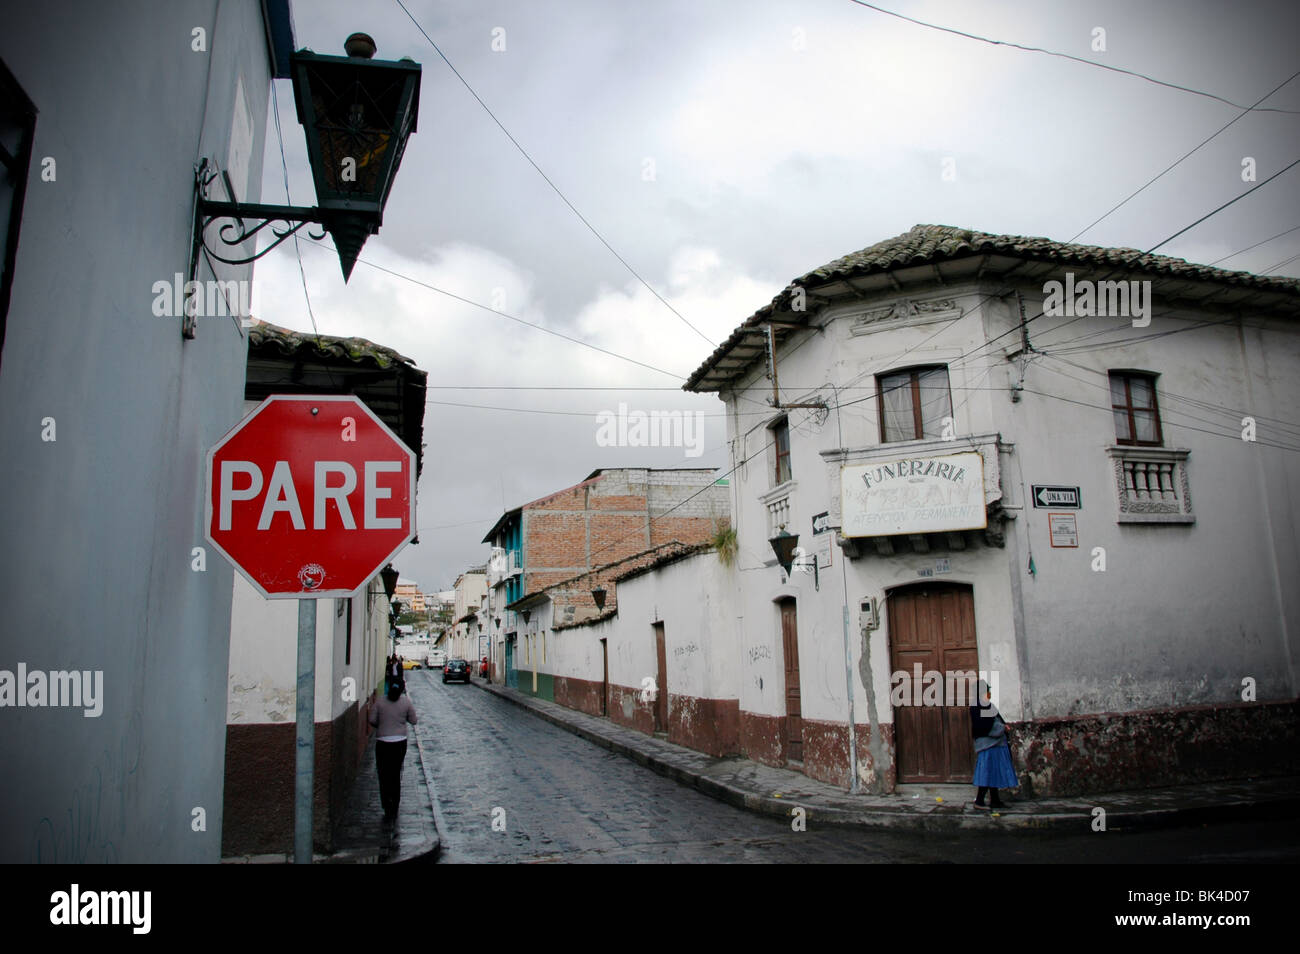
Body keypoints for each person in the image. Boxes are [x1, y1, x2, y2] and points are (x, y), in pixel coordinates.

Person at [368, 678, 418, 822]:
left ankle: (386, 805)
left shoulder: (380, 702)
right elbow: (414, 720)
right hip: (399, 743)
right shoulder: (406, 702)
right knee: (395, 774)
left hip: (383, 742)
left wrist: (383, 725)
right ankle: (394, 806)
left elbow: (372, 720)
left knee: (383, 775)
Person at [970, 680, 1018, 810]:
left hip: (995, 743)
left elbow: (994, 719)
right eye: (987, 691)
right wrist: (1002, 728)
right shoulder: (978, 706)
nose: (989, 693)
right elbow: (985, 724)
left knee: (994, 771)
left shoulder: (985, 705)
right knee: (988, 771)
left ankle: (995, 800)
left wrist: (1002, 726)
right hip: (988, 744)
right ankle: (979, 801)